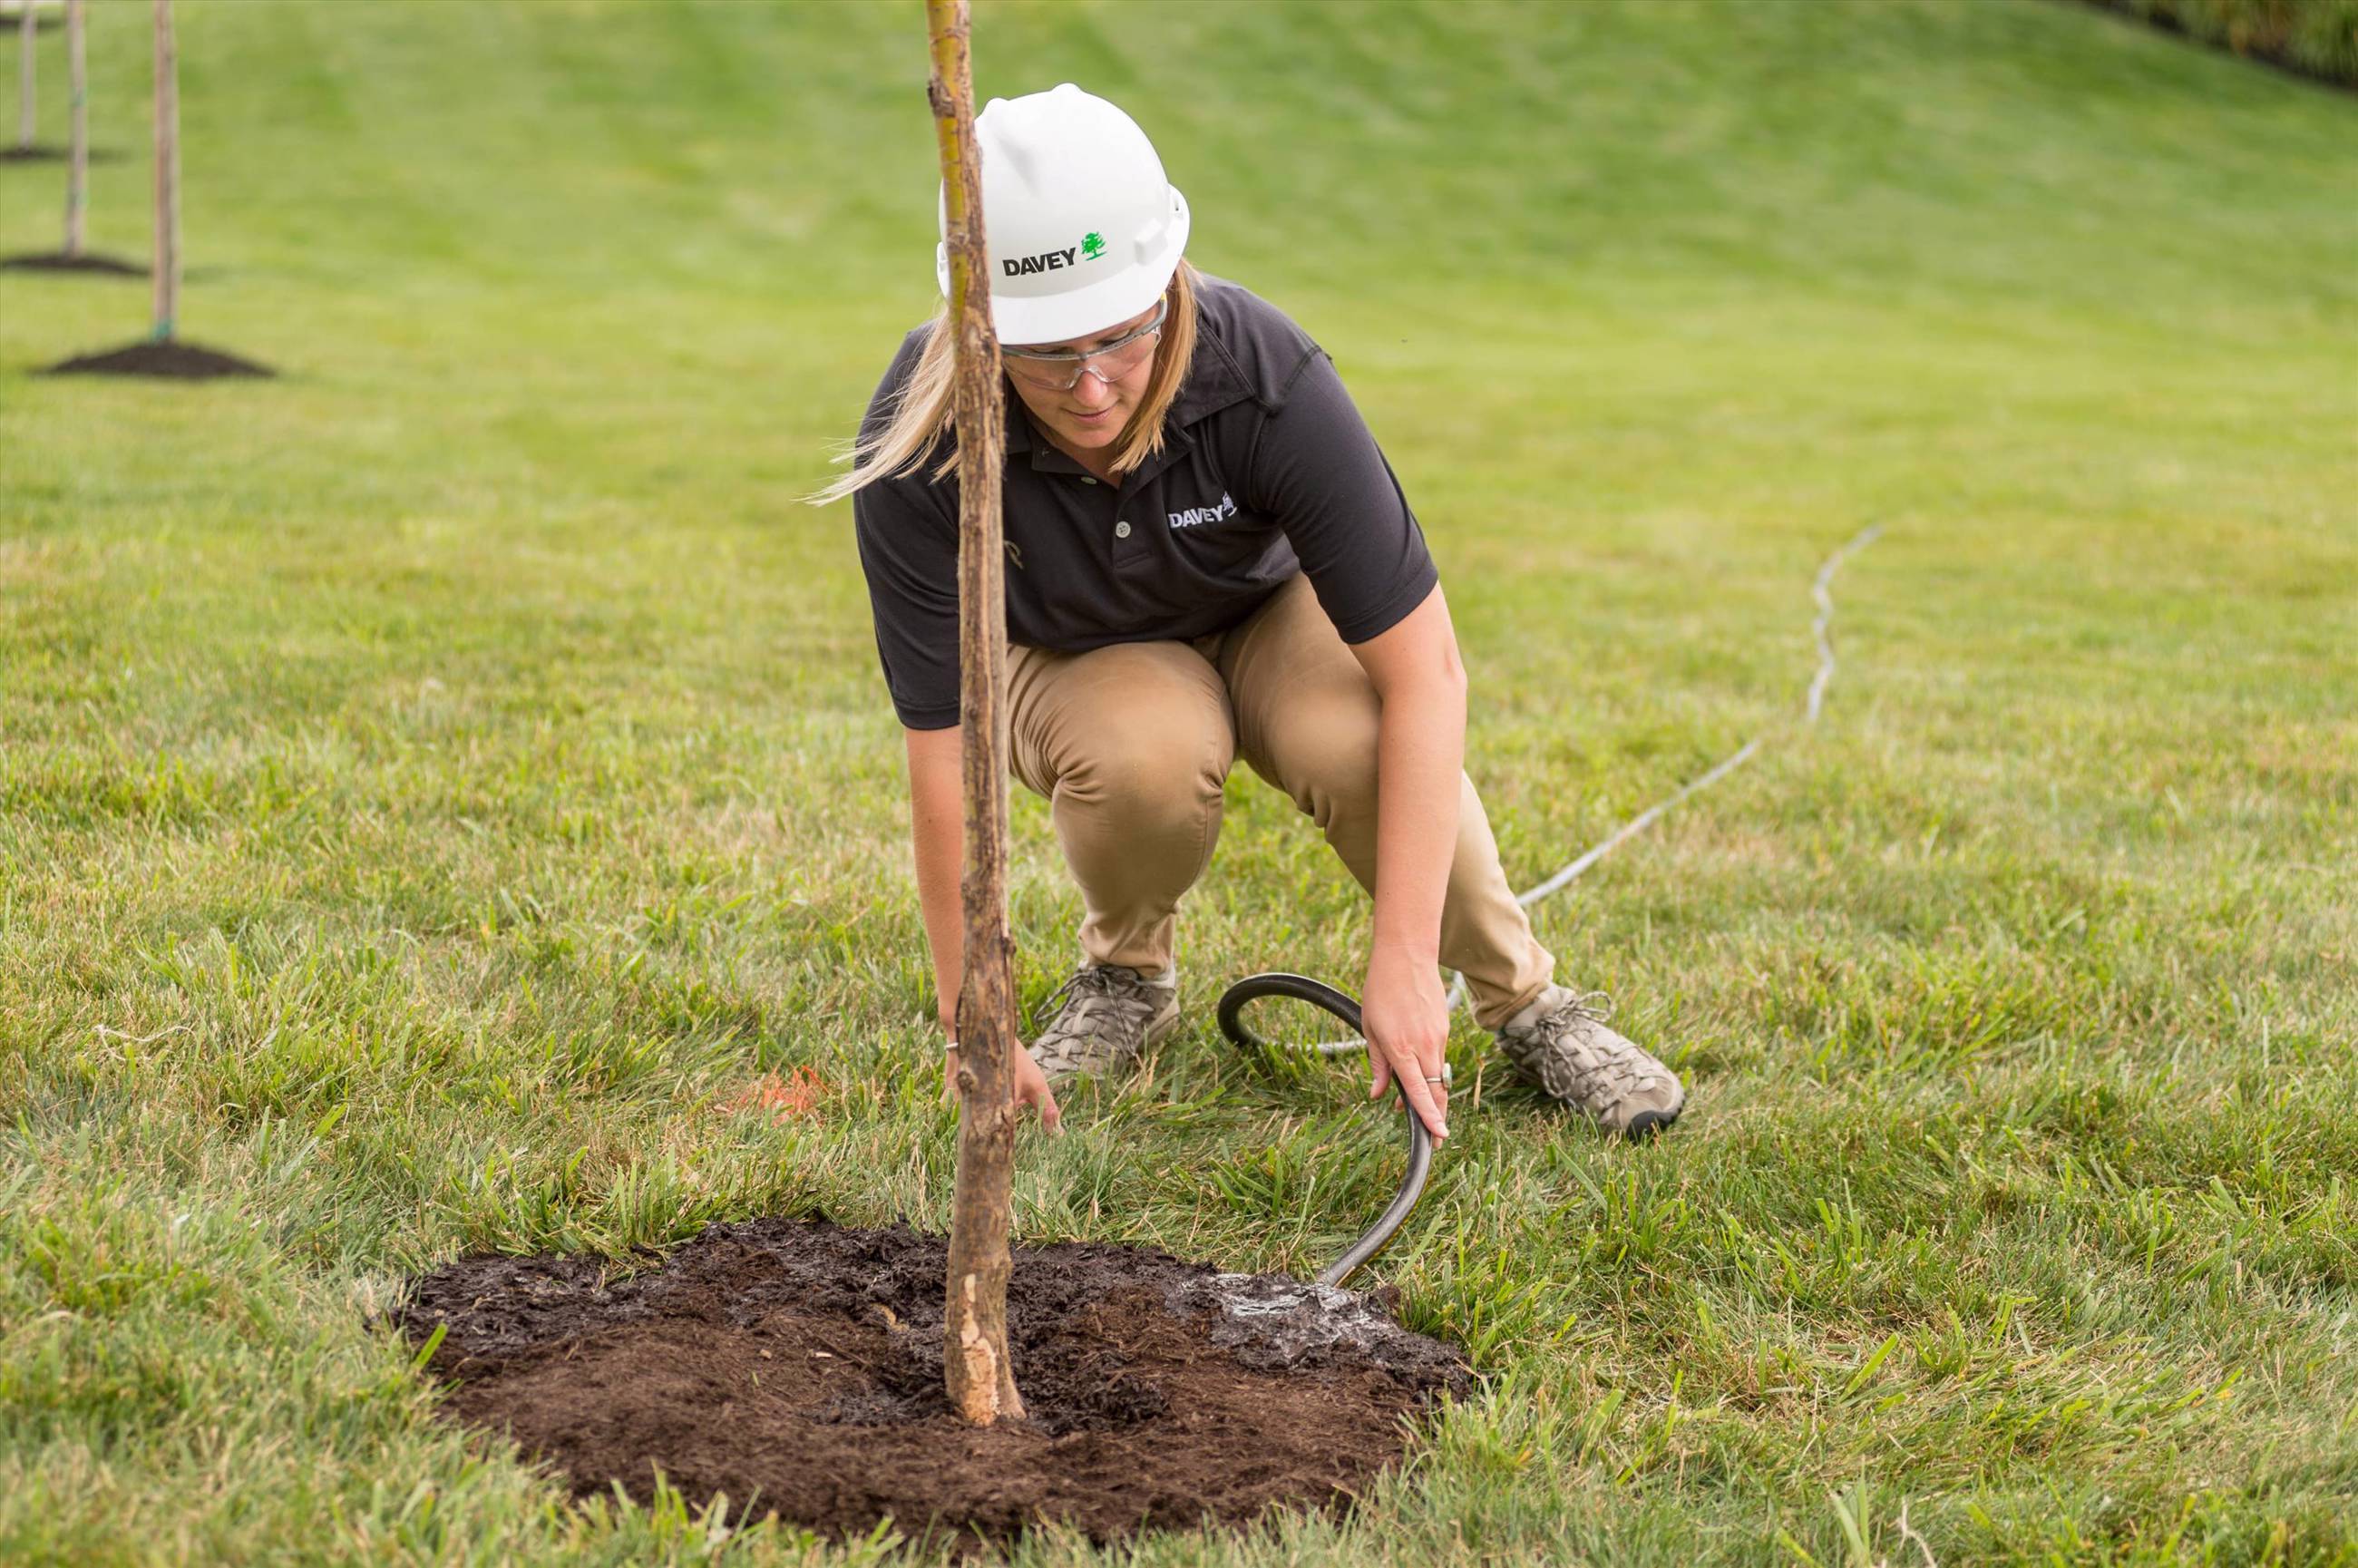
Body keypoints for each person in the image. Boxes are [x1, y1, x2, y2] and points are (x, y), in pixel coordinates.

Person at [816, 84, 1682, 1142]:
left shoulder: (1263, 373)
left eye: (1121, 339)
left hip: (1266, 610)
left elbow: (1426, 676)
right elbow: (942, 749)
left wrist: (1404, 962)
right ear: (977, 324)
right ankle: (1126, 979)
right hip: (1077, 654)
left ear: (1166, 285)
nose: (1091, 388)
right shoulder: (922, 438)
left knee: (1358, 736)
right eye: (1045, 353)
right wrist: (972, 1015)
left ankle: (1527, 1001)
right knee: (1144, 752)